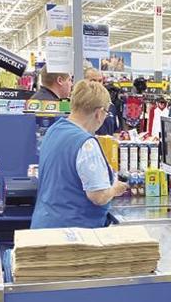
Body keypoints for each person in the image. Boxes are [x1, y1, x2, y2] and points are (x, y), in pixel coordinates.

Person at [31, 80, 129, 229]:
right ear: (99, 113)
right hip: (72, 232)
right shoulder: (86, 145)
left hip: (45, 223)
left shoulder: (54, 130)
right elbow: (98, 196)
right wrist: (115, 188)